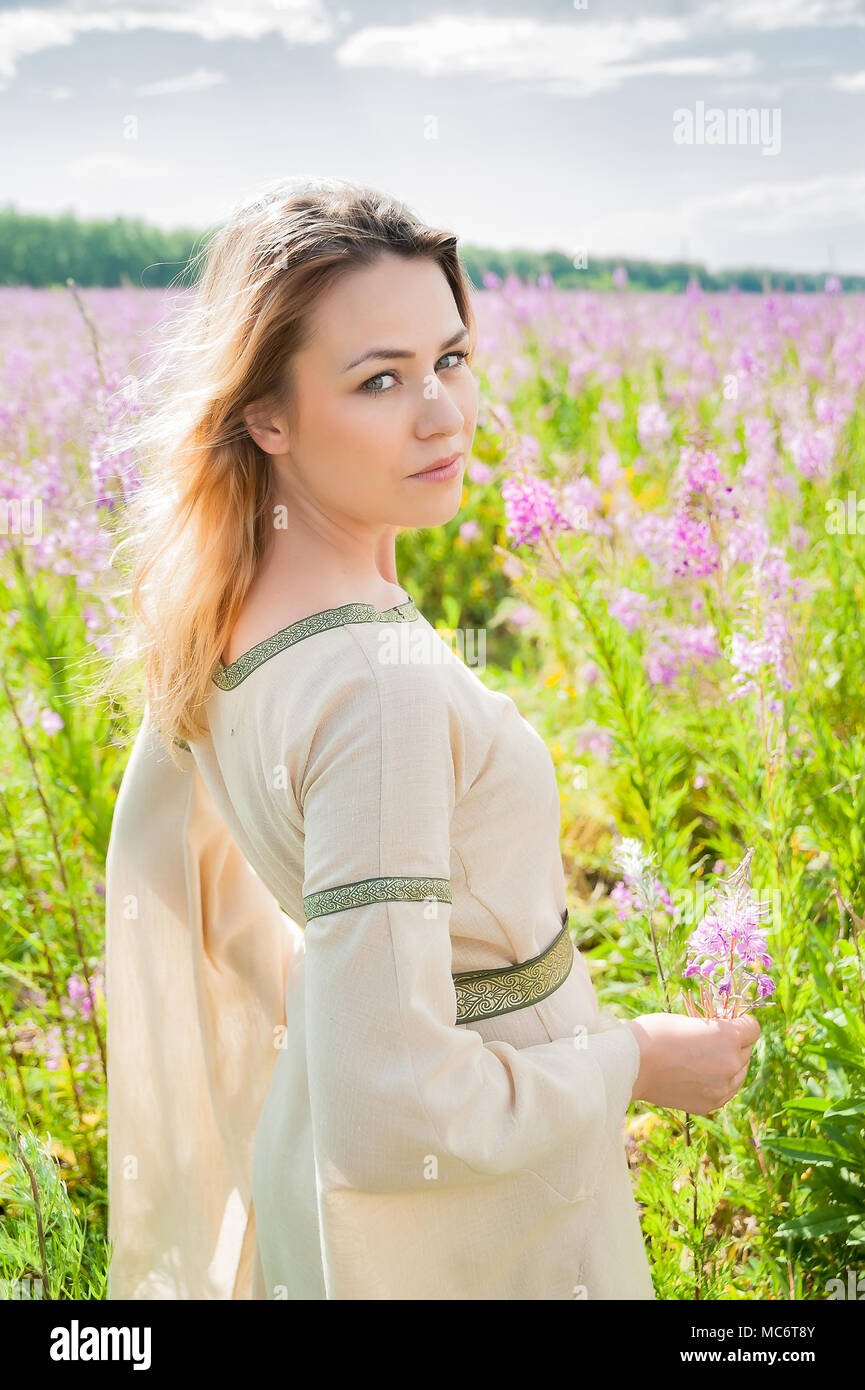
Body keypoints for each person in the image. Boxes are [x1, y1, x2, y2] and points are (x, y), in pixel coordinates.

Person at [102, 177, 761, 1300]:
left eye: (450, 359)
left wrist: (366, 986)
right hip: (457, 1232)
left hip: (348, 1181)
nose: (442, 412)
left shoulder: (228, 613)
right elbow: (393, 1105)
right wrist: (634, 1059)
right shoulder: (372, 685)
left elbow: (236, 916)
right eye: (378, 380)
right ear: (267, 416)